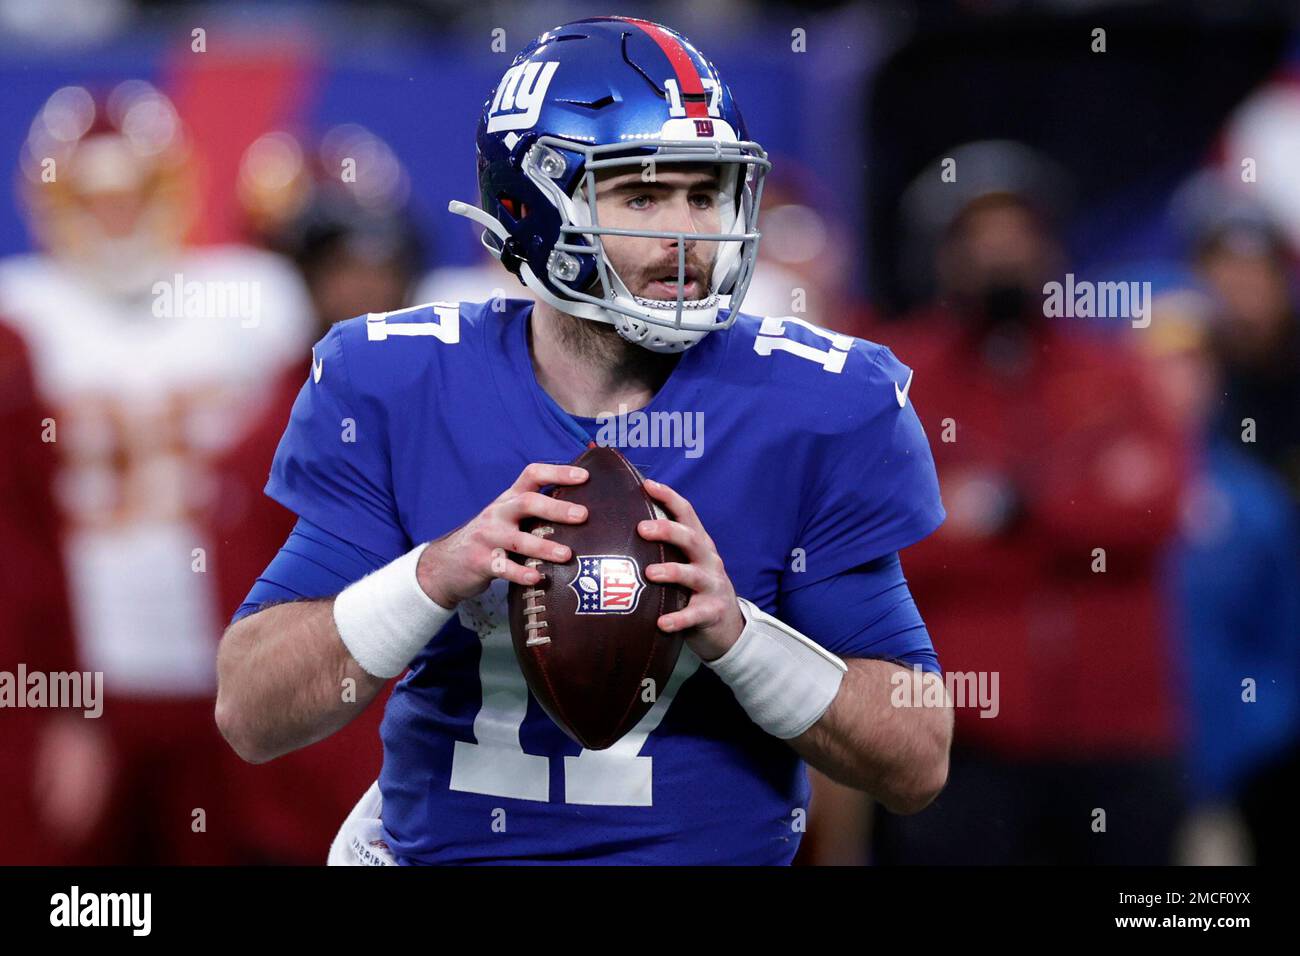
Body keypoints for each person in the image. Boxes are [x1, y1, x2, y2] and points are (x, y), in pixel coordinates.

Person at [216, 16, 952, 865]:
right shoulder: (400, 384)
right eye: (644, 195)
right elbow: (252, 712)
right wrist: (430, 577)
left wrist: (740, 638)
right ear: (531, 208)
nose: (689, 235)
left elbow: (915, 760)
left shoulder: (812, 406)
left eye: (707, 194)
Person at [0, 81, 313, 863]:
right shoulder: (24, 311)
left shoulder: (251, 298)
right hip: (84, 675)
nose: (116, 218)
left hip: (220, 662)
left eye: (134, 194)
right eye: (93, 198)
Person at [873, 143, 1188, 864]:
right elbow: (891, 547)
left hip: (1119, 738)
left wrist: (1017, 507)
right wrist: (1073, 518)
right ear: (940, 255)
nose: (1001, 254)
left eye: (1018, 234)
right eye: (978, 238)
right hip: (961, 741)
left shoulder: (1115, 374)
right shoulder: (893, 380)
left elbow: (1154, 511)